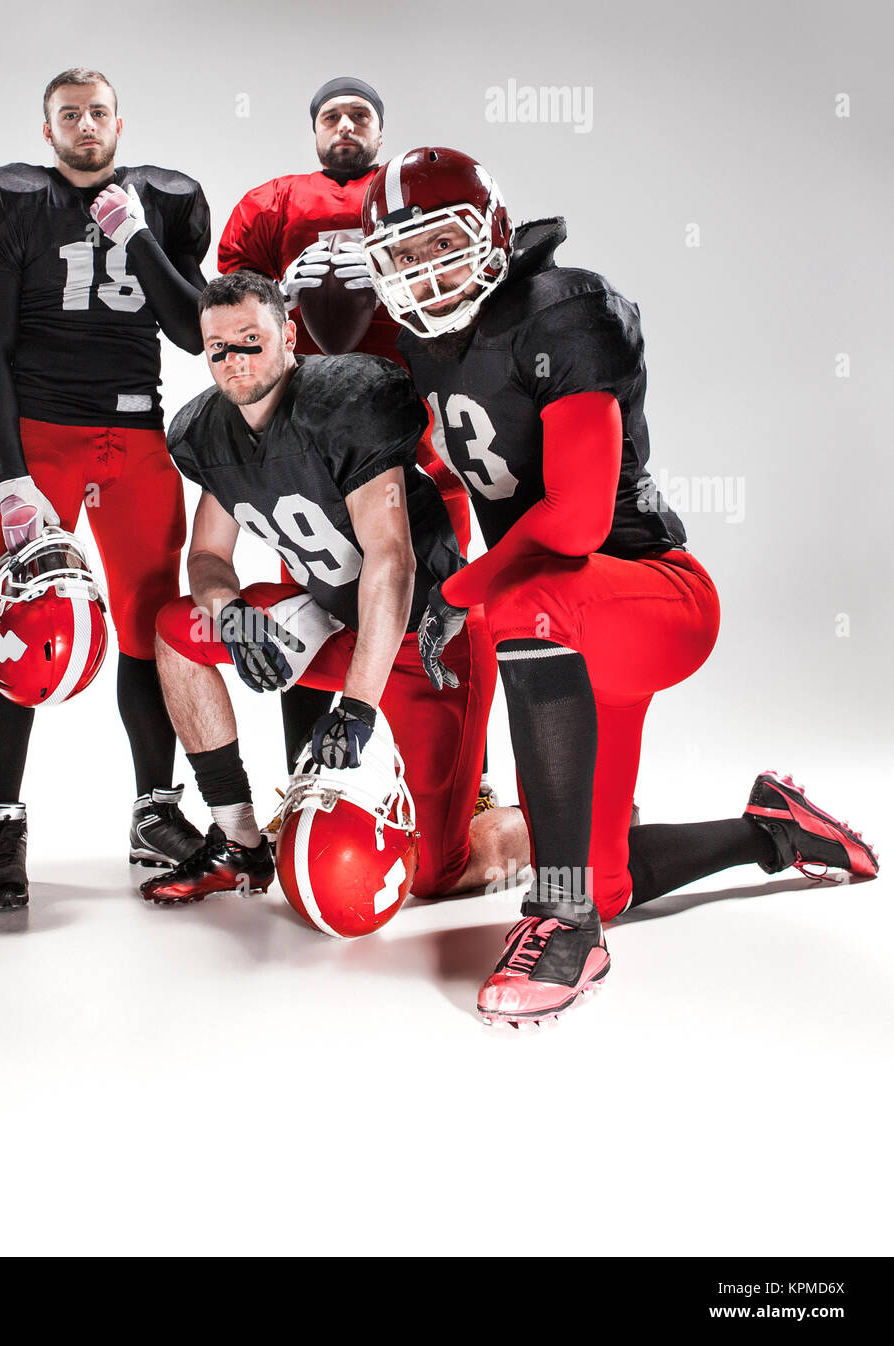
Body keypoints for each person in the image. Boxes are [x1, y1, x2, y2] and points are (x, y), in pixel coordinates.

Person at [361, 147, 879, 1025]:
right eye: (401, 255)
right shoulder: (424, 344)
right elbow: (448, 475)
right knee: (602, 874)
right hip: (563, 628)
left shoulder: (563, 309)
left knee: (524, 603)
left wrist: (459, 595)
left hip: (652, 595)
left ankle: (563, 926)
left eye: (439, 243)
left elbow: (576, 519)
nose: (424, 272)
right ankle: (776, 830)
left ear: (489, 231)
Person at [139, 271, 526, 905]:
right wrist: (229, 613)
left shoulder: (347, 402)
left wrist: (356, 707)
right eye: (218, 349)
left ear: (289, 334)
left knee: (435, 875)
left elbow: (392, 561)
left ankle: (575, 829)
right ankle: (239, 843)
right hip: (335, 624)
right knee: (179, 630)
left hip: (427, 643)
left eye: (249, 340)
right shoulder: (209, 429)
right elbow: (207, 555)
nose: (233, 360)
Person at [0, 67, 211, 907]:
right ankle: (1, 821)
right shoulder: (8, 201)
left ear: (119, 121)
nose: (86, 126)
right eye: (69, 115)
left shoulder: (167, 201)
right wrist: (10, 470)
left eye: (98, 113)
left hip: (137, 434)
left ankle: (152, 810)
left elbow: (192, 333)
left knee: (149, 620)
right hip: (43, 435)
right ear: (48, 131)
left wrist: (138, 234)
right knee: (20, 620)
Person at [217, 76, 483, 783]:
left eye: (359, 115)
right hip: (309, 431)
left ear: (380, 131)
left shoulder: (406, 195)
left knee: (443, 595)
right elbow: (239, 313)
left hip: (410, 414)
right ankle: (308, 775)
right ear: (314, 131)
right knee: (312, 606)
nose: (345, 125)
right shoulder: (275, 202)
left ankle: (463, 778)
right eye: (331, 115)